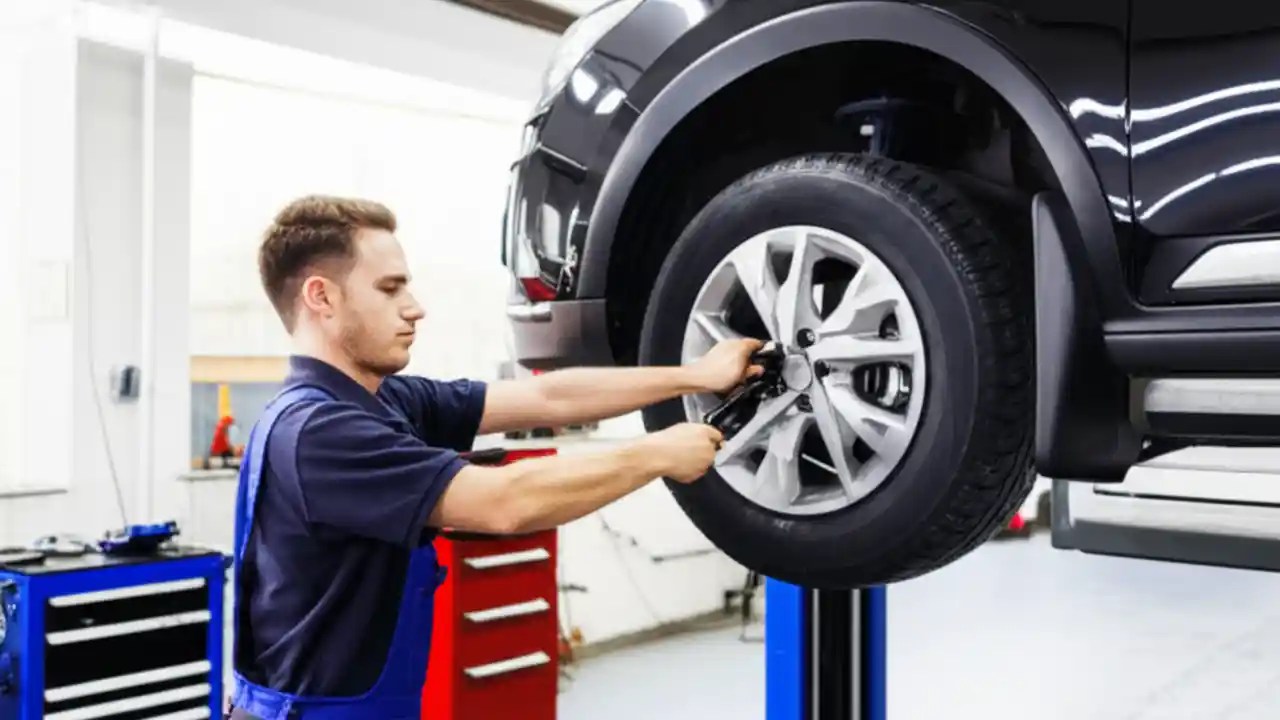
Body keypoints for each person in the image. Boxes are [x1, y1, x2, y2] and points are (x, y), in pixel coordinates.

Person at [225, 195, 764, 720]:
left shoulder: (381, 400)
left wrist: (695, 376)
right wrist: (656, 454)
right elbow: (505, 502)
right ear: (321, 297)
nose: (415, 307)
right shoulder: (320, 432)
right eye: (390, 289)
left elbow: (546, 398)